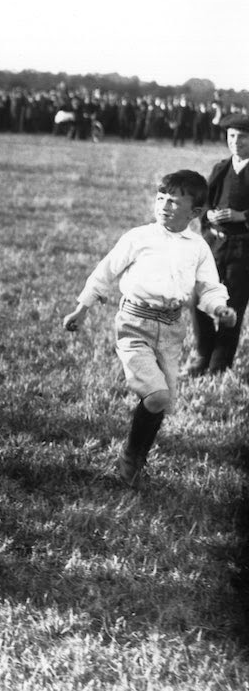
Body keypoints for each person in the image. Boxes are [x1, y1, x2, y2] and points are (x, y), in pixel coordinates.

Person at [63, 170, 236, 487]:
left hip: (171, 330)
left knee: (163, 401)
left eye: (173, 201)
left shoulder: (198, 247)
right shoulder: (138, 237)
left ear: (195, 212)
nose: (164, 205)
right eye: (161, 198)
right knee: (156, 396)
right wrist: (82, 307)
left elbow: (209, 287)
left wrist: (219, 307)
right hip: (134, 324)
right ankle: (129, 458)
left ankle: (136, 459)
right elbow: (105, 271)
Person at [183, 113, 249, 377]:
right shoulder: (222, 167)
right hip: (215, 246)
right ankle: (203, 354)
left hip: (243, 250)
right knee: (198, 299)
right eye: (231, 136)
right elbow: (204, 201)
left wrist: (242, 216)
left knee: (230, 307)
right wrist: (208, 214)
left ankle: (219, 365)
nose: (236, 142)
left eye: (243, 137)